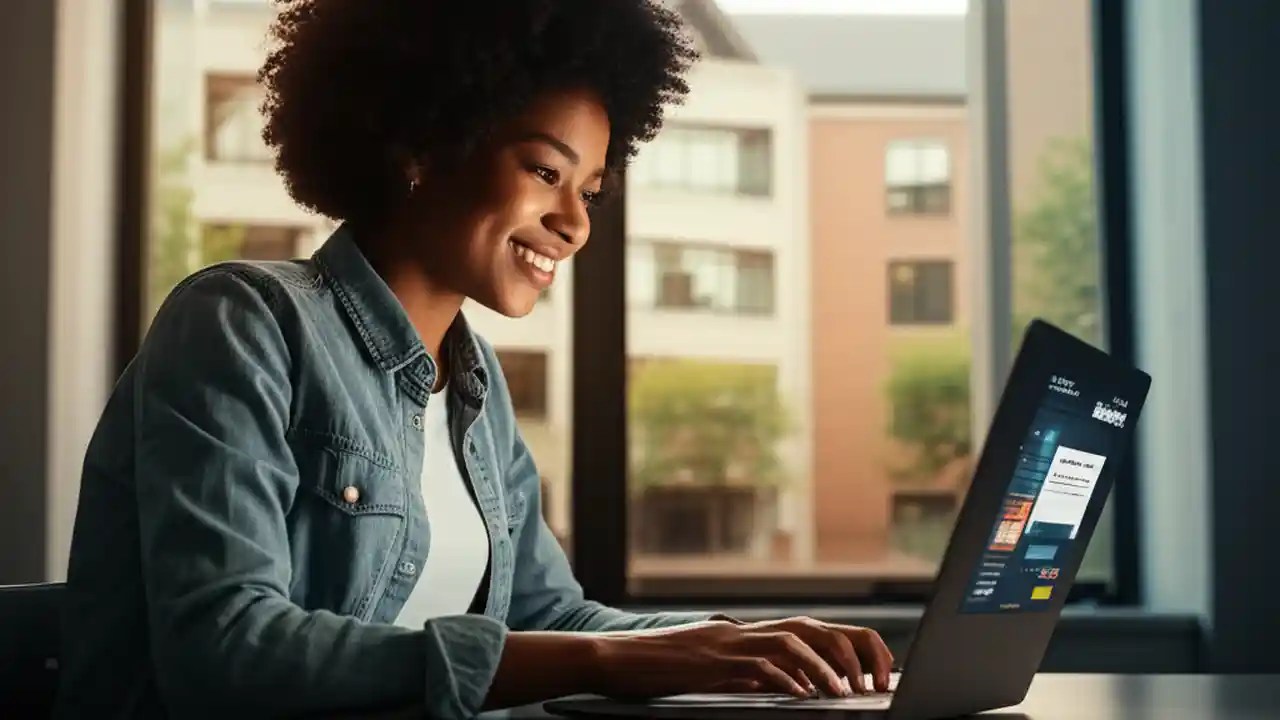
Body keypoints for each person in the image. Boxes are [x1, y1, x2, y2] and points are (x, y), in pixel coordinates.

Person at [55, 1, 894, 717]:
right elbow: (226, 651)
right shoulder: (241, 322)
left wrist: (737, 640)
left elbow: (551, 617)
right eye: (545, 170)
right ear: (426, 141)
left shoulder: (476, 389)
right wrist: (608, 663)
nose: (577, 224)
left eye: (590, 192)